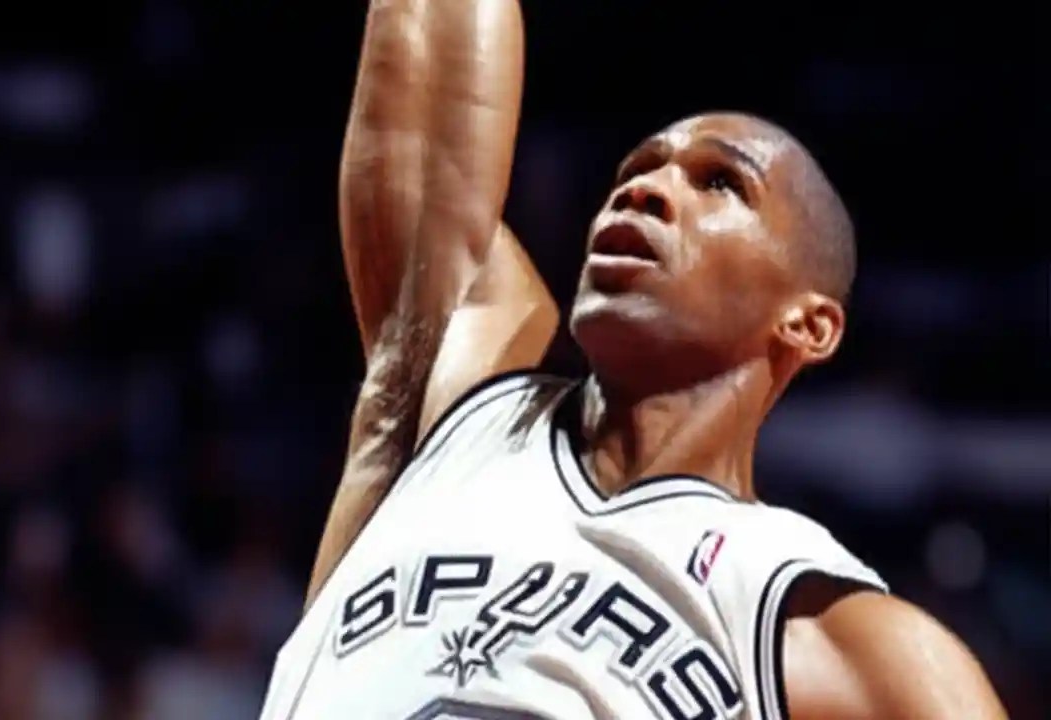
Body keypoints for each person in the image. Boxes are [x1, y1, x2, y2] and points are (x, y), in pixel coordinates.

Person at [258, 2, 1007, 718]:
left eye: (721, 183)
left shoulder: (831, 629)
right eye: (634, 172)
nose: (646, 190)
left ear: (808, 325)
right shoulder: (460, 410)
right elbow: (422, 90)